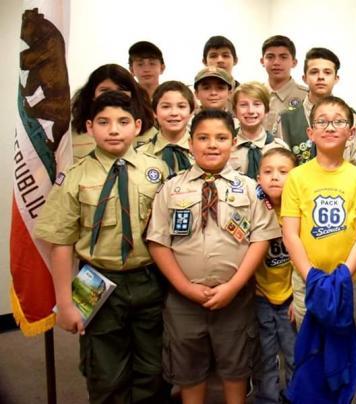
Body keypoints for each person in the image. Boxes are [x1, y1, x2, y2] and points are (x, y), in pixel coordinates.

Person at [34, 91, 169, 403]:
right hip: (97, 280)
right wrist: (65, 302)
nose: (113, 129)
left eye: (122, 122)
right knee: (105, 372)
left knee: (153, 367)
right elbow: (61, 242)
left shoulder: (156, 170)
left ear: (137, 126)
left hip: (149, 279)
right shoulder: (76, 176)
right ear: (90, 126)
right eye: (104, 122)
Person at [147, 108, 281, 404]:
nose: (211, 144)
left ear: (233, 143)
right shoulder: (172, 188)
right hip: (184, 299)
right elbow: (158, 242)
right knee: (188, 374)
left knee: (235, 371)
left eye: (221, 138)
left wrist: (233, 287)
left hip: (235, 298)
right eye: (203, 138)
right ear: (190, 142)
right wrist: (184, 287)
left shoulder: (249, 189)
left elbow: (260, 239)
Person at [280, 95, 356, 328]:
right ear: (310, 133)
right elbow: (290, 234)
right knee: (311, 349)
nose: (330, 127)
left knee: (343, 350)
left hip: (348, 281)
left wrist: (344, 274)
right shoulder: (296, 176)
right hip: (306, 280)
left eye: (338, 121)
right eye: (322, 121)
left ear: (351, 133)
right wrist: (311, 275)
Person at [253, 148, 298, 404]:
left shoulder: (300, 211)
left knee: (294, 354)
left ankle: (294, 396)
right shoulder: (254, 209)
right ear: (258, 177)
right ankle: (267, 399)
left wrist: (297, 296)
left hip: (291, 297)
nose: (274, 177)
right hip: (260, 295)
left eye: (283, 172)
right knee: (264, 356)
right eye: (268, 172)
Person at [273, 47, 356, 165]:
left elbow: (355, 161)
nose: (320, 77)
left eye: (327, 72)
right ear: (304, 78)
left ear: (336, 79)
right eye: (314, 72)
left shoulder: (350, 116)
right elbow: (280, 162)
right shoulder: (286, 119)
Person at [70, 64, 157, 159]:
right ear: (92, 95)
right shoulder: (72, 136)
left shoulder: (151, 134)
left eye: (121, 90)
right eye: (105, 90)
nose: (113, 96)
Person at [229, 82, 290, 179]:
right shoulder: (226, 147)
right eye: (243, 105)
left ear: (266, 110)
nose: (250, 111)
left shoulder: (279, 148)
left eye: (257, 104)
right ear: (235, 111)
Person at [137, 80, 194, 177]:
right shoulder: (139, 155)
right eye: (166, 107)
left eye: (181, 106)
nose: (174, 113)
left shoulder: (205, 151)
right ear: (154, 112)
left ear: (191, 112)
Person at [260, 35, 308, 132]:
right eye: (270, 57)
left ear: (294, 62)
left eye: (283, 57)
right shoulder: (253, 94)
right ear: (262, 61)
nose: (276, 62)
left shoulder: (306, 96)